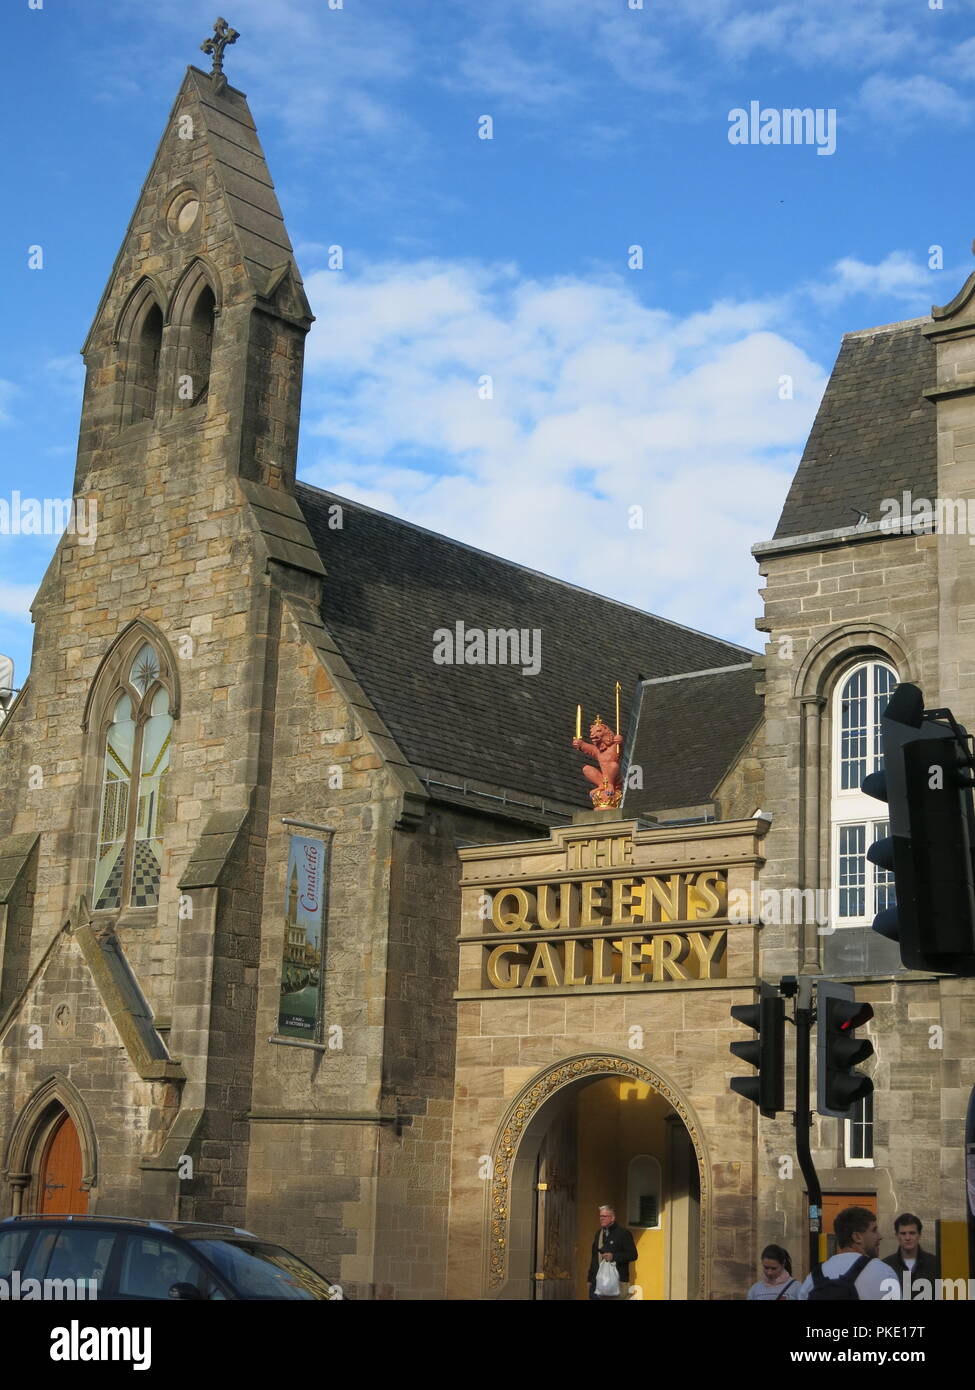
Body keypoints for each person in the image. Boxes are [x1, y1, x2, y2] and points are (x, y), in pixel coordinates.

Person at [797, 1206, 901, 1300]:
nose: (880, 1236)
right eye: (874, 1230)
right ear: (857, 1237)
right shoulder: (884, 1272)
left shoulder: (812, 1278)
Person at [587, 1205, 638, 1300]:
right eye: (600, 1216)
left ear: (612, 1218)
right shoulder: (599, 1234)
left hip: (617, 1282)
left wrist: (613, 1256)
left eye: (604, 1216)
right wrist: (590, 1279)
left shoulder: (623, 1234)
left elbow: (633, 1255)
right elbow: (594, 1257)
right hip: (597, 1283)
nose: (601, 1219)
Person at [882, 1213, 938, 1297]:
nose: (907, 1238)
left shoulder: (935, 1263)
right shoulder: (886, 1265)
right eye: (903, 1233)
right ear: (897, 1236)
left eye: (912, 1233)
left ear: (919, 1235)